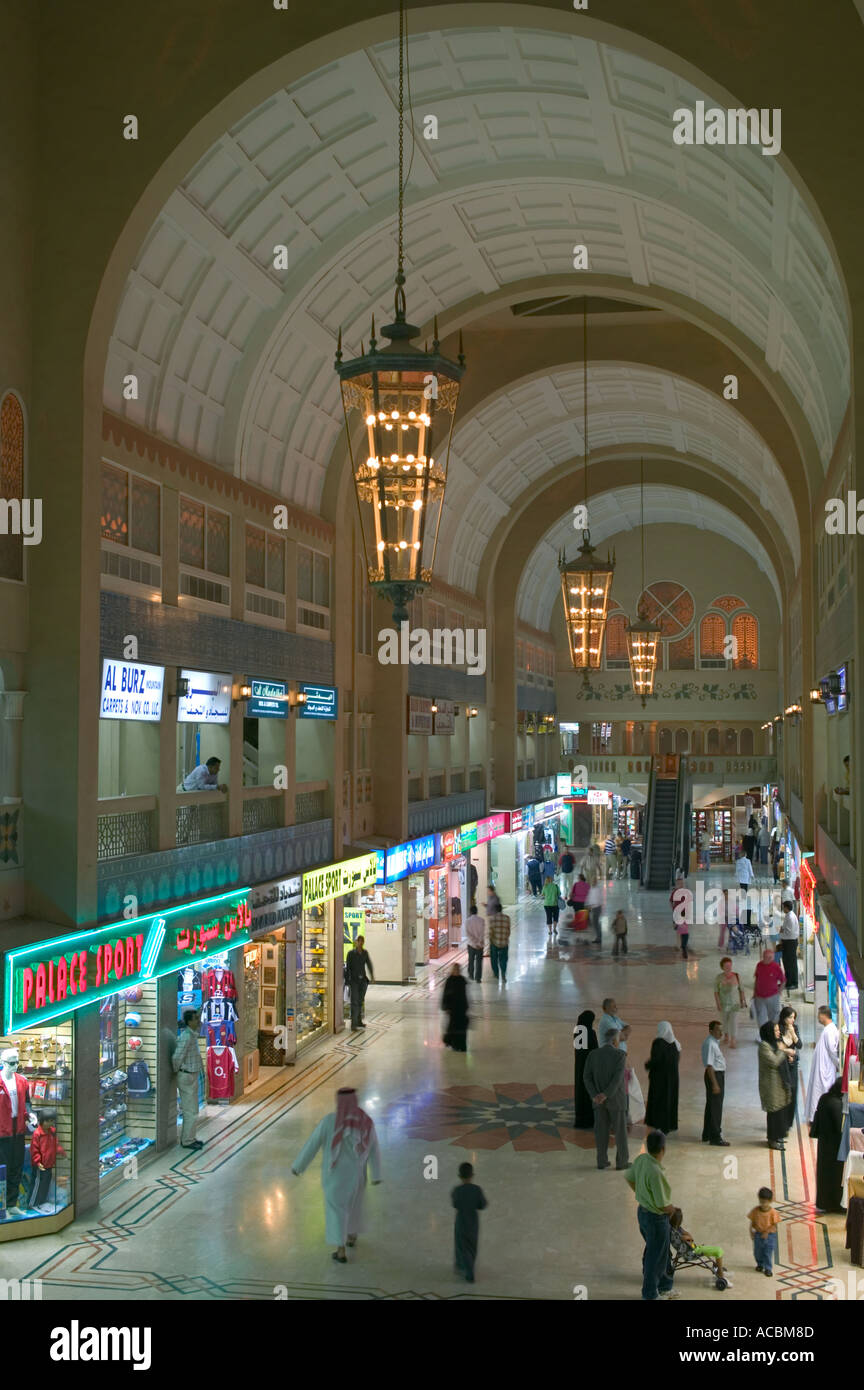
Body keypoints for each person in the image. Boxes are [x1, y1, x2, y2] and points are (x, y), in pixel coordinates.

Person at [291, 1086, 382, 1262]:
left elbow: (313, 1144)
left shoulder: (329, 1121)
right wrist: (376, 1174)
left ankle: (340, 1250)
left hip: (335, 1178)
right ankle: (352, 1236)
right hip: (357, 1176)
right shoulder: (366, 1121)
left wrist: (298, 1166)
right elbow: (374, 1149)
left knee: (337, 1211)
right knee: (354, 1206)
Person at [624, 1130, 678, 1301]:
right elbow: (663, 1204)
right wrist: (673, 1210)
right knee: (655, 1258)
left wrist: (641, 1193)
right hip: (656, 1219)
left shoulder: (641, 1160)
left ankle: (664, 1287)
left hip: (643, 1213)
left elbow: (629, 1177)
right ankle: (649, 1294)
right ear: (663, 1149)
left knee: (661, 1253)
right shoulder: (656, 1172)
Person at [583, 1030, 629, 1170]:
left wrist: (595, 1095)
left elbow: (586, 1077)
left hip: (598, 1102)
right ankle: (622, 1163)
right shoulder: (620, 1055)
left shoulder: (593, 1055)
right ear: (615, 1041)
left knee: (601, 1132)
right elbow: (617, 1078)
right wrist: (606, 1094)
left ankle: (601, 1161)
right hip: (616, 1100)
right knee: (620, 1132)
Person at [670, 1208, 732, 1287]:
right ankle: (720, 1274)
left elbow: (690, 1238)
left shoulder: (678, 1229)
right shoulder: (676, 1233)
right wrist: (688, 1238)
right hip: (692, 1252)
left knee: (717, 1250)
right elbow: (688, 1239)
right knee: (718, 1251)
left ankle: (718, 1269)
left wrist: (688, 1238)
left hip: (694, 1248)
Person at [810, 1079, 846, 1214]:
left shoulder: (825, 1097)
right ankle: (835, 1204)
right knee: (835, 1176)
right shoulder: (835, 1104)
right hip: (834, 1147)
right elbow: (840, 1127)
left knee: (823, 1176)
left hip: (824, 1144)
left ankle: (823, 1202)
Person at [758, 1021, 795, 1150]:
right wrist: (783, 1051)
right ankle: (772, 1139)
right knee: (773, 1112)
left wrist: (786, 1055)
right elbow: (774, 1061)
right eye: (775, 1031)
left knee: (780, 1111)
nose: (778, 1033)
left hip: (780, 1083)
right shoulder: (764, 1046)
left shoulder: (774, 1044)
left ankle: (778, 1135)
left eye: (778, 1030)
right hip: (771, 1085)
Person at [172, 1008, 205, 1150]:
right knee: (190, 1110)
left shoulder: (191, 1035)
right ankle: (187, 1141)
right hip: (186, 1076)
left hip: (191, 1075)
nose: (199, 1021)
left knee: (193, 1109)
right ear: (189, 1021)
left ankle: (191, 1137)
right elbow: (177, 1057)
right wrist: (178, 1070)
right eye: (196, 1019)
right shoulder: (186, 1037)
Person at [804, 1006, 841, 1122]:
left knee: (819, 1092)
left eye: (819, 1015)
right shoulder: (828, 1029)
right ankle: (815, 1117)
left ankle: (818, 1118)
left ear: (824, 1015)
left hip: (824, 1069)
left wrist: (839, 1065)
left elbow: (832, 1051)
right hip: (822, 1067)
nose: (818, 1017)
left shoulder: (829, 1030)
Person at [452, 1161, 487, 1282]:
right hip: (473, 1223)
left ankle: (465, 1268)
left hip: (461, 1222)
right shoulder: (477, 1190)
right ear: (472, 1175)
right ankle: (469, 1266)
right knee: (472, 1247)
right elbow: (482, 1205)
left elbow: (455, 1204)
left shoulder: (456, 1190)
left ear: (459, 1176)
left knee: (461, 1246)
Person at [644, 1022, 680, 1133]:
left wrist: (647, 1065)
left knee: (659, 1100)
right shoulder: (676, 1044)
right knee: (670, 1099)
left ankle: (658, 1123)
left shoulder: (658, 1043)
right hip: (673, 1078)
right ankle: (670, 1124)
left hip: (659, 1079)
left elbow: (656, 1060)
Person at [701, 1021, 729, 1146]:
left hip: (717, 1075)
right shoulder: (710, 1044)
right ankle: (715, 1137)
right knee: (716, 1108)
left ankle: (707, 1133)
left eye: (722, 1030)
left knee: (711, 1105)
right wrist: (715, 1084)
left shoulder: (713, 1042)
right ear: (711, 1031)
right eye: (718, 1030)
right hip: (714, 1076)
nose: (721, 1033)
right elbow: (709, 1066)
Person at [778, 1004, 802, 1132]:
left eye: (794, 1017)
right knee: (783, 1092)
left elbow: (799, 1045)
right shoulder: (779, 1029)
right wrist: (788, 1052)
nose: (793, 1020)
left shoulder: (795, 1028)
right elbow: (777, 1047)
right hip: (782, 1065)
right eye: (791, 1017)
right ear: (784, 1018)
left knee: (793, 1092)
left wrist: (793, 1033)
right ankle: (781, 1121)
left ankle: (788, 1122)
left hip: (792, 1066)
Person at [573, 1009, 599, 1128]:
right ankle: (589, 1119)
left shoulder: (578, 1031)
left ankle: (580, 1118)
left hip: (579, 1066)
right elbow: (595, 1051)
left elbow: (580, 1051)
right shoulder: (590, 1032)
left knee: (580, 1091)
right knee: (588, 1092)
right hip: (589, 1067)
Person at [748, 1187, 781, 1277]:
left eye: (765, 1202)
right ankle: (760, 1264)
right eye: (761, 1202)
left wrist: (767, 1231)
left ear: (770, 1201)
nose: (763, 1204)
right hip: (758, 1235)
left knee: (767, 1252)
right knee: (757, 1252)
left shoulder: (773, 1213)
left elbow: (774, 1225)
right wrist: (751, 1231)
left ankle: (768, 1268)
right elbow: (752, 1222)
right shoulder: (755, 1211)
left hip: (769, 1236)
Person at [345, 934, 374, 1032]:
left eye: (362, 941)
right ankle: (353, 1025)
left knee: (360, 1001)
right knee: (354, 1002)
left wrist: (372, 976)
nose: (360, 943)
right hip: (354, 981)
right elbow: (347, 968)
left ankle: (359, 1021)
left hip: (363, 981)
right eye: (359, 941)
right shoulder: (350, 954)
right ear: (356, 942)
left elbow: (369, 964)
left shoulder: (365, 953)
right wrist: (348, 981)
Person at [713, 957, 746, 1047]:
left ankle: (733, 1039)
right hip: (723, 1004)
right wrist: (718, 1004)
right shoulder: (719, 978)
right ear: (722, 967)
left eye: (730, 965)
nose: (728, 967)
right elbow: (716, 992)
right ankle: (726, 1036)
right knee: (724, 1022)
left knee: (733, 1022)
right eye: (726, 966)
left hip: (735, 1004)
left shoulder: (737, 976)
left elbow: (741, 989)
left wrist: (742, 1001)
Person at [751, 947, 785, 1028]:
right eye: (766, 957)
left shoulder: (776, 967)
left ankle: (773, 1034)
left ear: (773, 958)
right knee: (760, 1017)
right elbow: (757, 979)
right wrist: (754, 993)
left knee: (774, 1016)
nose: (768, 959)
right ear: (763, 956)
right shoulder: (759, 965)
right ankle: (763, 1035)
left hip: (772, 996)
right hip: (759, 996)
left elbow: (783, 980)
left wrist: (779, 991)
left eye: (770, 957)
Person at [441, 963, 469, 1052]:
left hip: (461, 1007)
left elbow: (464, 995)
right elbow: (445, 994)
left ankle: (461, 1045)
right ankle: (454, 1044)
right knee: (454, 1026)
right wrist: (445, 1007)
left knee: (461, 1027)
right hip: (452, 1008)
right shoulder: (450, 980)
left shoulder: (462, 980)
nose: (457, 972)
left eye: (458, 970)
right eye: (455, 970)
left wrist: (466, 1006)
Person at [777, 900, 800, 992]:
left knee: (790, 963)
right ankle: (787, 981)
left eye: (783, 907)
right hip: (788, 942)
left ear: (786, 907)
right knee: (787, 962)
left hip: (790, 942)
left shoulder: (790, 917)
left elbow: (788, 931)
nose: (783, 909)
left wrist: (781, 930)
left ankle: (792, 983)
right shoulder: (790, 915)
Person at [487, 905, 511, 984]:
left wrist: (491, 941)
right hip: (504, 942)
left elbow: (491, 932)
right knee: (504, 959)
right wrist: (505, 938)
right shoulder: (507, 918)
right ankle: (503, 974)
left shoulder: (492, 919)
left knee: (494, 959)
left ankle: (496, 973)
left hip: (494, 942)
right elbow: (508, 931)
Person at [464, 902, 485, 982]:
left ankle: (471, 975)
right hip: (480, 945)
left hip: (471, 945)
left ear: (470, 912)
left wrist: (474, 942)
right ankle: (478, 978)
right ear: (477, 911)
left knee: (471, 960)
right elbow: (483, 933)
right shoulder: (482, 920)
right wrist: (479, 942)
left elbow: (468, 934)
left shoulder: (467, 921)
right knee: (479, 962)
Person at [733, 849, 754, 924]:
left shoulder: (738, 861)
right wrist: (752, 875)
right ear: (745, 855)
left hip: (741, 877)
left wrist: (736, 875)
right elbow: (750, 868)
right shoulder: (748, 861)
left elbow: (737, 869)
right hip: (746, 876)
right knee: (745, 887)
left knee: (742, 886)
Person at [586, 878, 602, 944]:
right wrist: (588, 905)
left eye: (594, 881)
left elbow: (598, 899)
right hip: (593, 907)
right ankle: (598, 936)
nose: (593, 882)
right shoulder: (591, 889)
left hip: (597, 907)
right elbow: (589, 897)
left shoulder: (597, 889)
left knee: (595, 923)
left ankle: (599, 937)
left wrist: (591, 905)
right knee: (595, 922)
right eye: (592, 881)